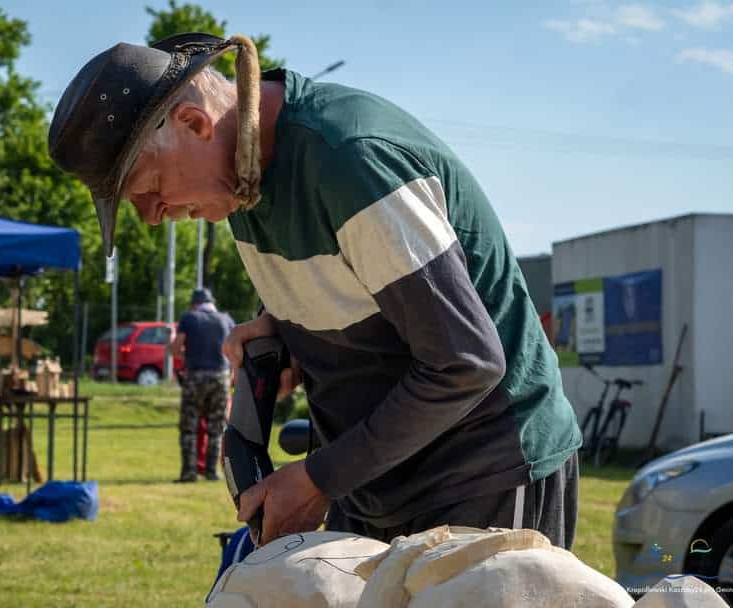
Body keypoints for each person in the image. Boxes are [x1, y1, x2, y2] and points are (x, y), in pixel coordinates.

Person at [48, 33, 582, 547]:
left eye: (149, 190)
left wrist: (319, 479)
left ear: (193, 123)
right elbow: (364, 292)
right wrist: (281, 328)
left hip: (481, 472)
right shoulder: (240, 180)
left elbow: (464, 363)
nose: (151, 217)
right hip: (373, 478)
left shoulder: (351, 161)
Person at [169, 287, 234, 482]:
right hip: (221, 376)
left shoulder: (189, 318)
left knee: (189, 425)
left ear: (194, 304)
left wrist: (182, 353)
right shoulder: (226, 319)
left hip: (196, 375)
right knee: (217, 427)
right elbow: (233, 350)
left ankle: (189, 472)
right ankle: (211, 471)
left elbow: (175, 349)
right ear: (212, 302)